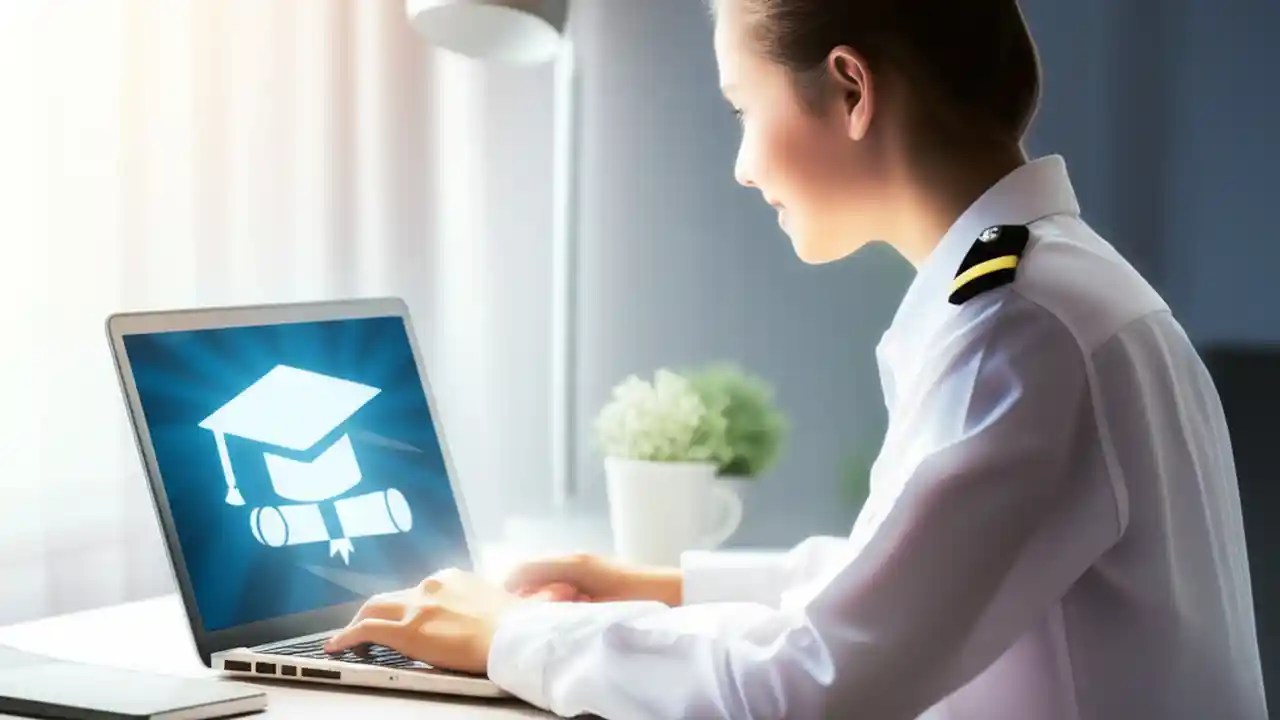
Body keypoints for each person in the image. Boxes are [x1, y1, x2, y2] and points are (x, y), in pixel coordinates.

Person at [323, 0, 1268, 717]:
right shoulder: (1052, 285)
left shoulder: (1018, 328)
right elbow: (892, 579)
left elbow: (811, 687)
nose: (740, 163)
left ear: (851, 90)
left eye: (742, 107)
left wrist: (511, 638)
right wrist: (658, 585)